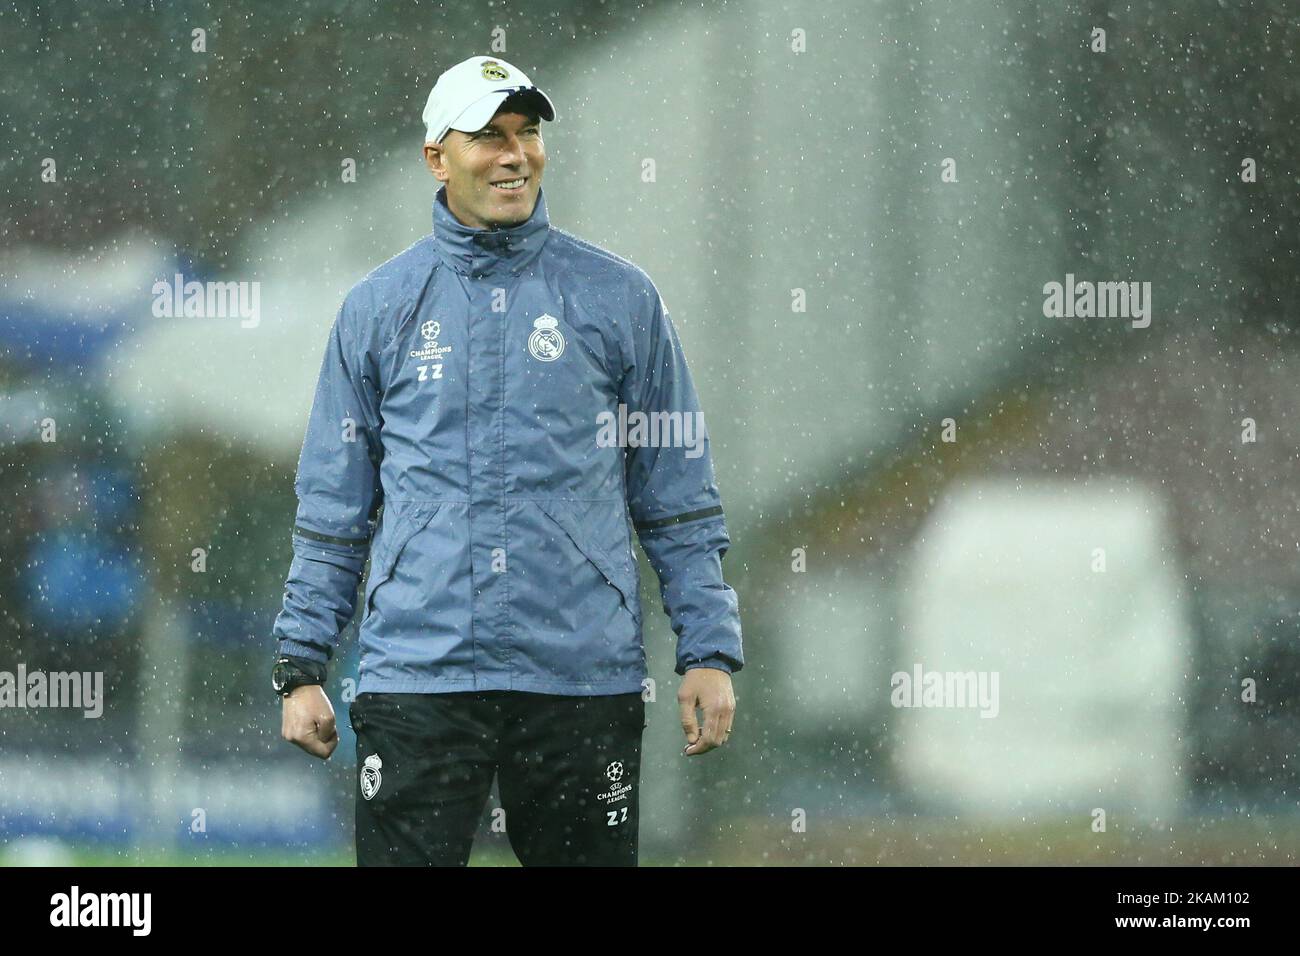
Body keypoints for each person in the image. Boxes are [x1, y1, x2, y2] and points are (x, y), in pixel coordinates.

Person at [270, 54, 743, 866]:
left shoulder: (620, 299)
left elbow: (676, 495)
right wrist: (301, 664)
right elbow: (333, 510)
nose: (515, 154)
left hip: (579, 679)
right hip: (417, 676)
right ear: (435, 157)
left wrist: (706, 649)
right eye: (488, 135)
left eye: (527, 134)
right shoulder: (377, 309)